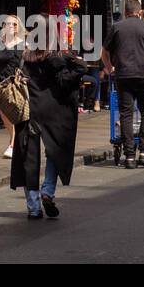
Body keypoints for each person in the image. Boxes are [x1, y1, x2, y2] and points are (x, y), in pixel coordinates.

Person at [11, 46, 85, 220]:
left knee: (28, 158)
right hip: (54, 111)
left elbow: (6, 76)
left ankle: (33, 207)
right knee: (55, 150)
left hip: (28, 109)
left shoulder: (22, 56)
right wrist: (79, 63)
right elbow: (66, 80)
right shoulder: (59, 57)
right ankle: (48, 190)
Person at [101, 0, 144, 168]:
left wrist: (110, 68)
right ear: (140, 13)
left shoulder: (116, 27)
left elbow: (104, 52)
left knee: (126, 114)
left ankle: (129, 156)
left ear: (125, 12)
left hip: (123, 75)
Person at [0, 13, 25, 158]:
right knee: (4, 114)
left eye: (14, 24)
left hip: (16, 84)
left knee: (15, 113)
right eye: (8, 24)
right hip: (0, 84)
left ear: (18, 27)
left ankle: (13, 144)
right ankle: (14, 140)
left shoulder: (23, 44)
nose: (11, 27)